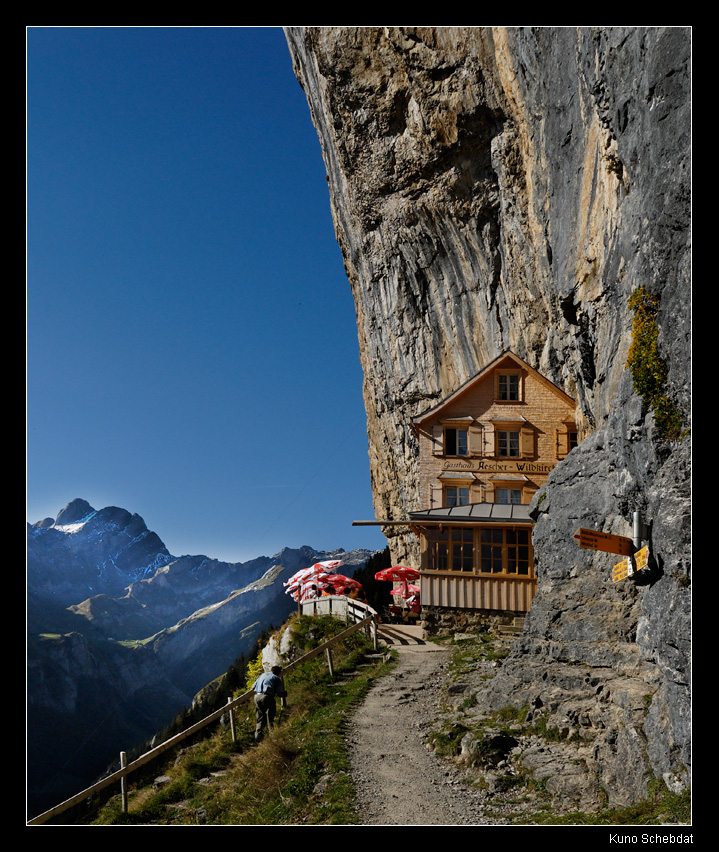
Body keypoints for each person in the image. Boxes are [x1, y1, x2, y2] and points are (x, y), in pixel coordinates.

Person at [252, 665, 287, 741]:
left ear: (271, 670)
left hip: (256, 696)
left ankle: (258, 736)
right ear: (278, 672)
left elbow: (253, 687)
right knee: (270, 716)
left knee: (260, 717)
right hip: (267, 697)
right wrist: (284, 694)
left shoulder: (263, 675)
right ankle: (271, 734)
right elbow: (280, 693)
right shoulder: (276, 678)